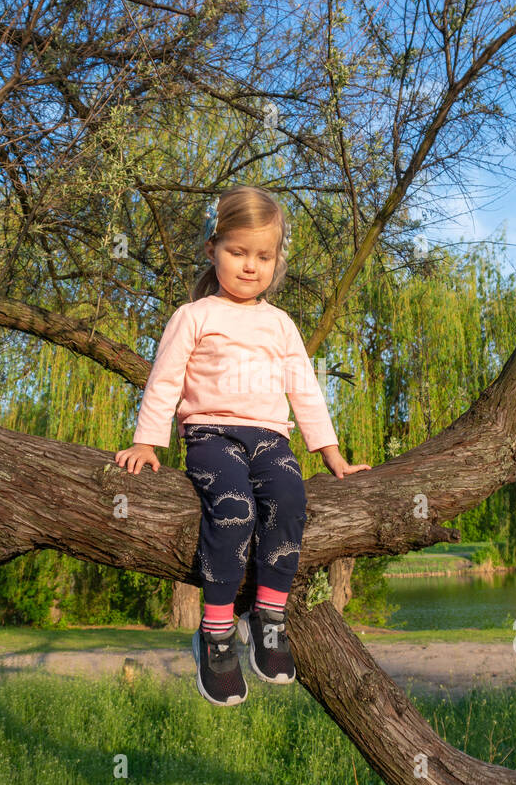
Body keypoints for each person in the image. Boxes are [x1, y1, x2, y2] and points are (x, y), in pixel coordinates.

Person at [114, 185, 370, 705]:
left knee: (290, 501)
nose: (250, 267)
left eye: (264, 256)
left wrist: (332, 455)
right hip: (212, 435)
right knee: (233, 509)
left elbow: (305, 391)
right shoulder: (195, 316)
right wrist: (148, 442)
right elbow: (164, 380)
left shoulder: (281, 325)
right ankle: (216, 631)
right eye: (238, 252)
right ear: (213, 250)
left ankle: (270, 615)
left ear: (277, 261)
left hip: (272, 439)